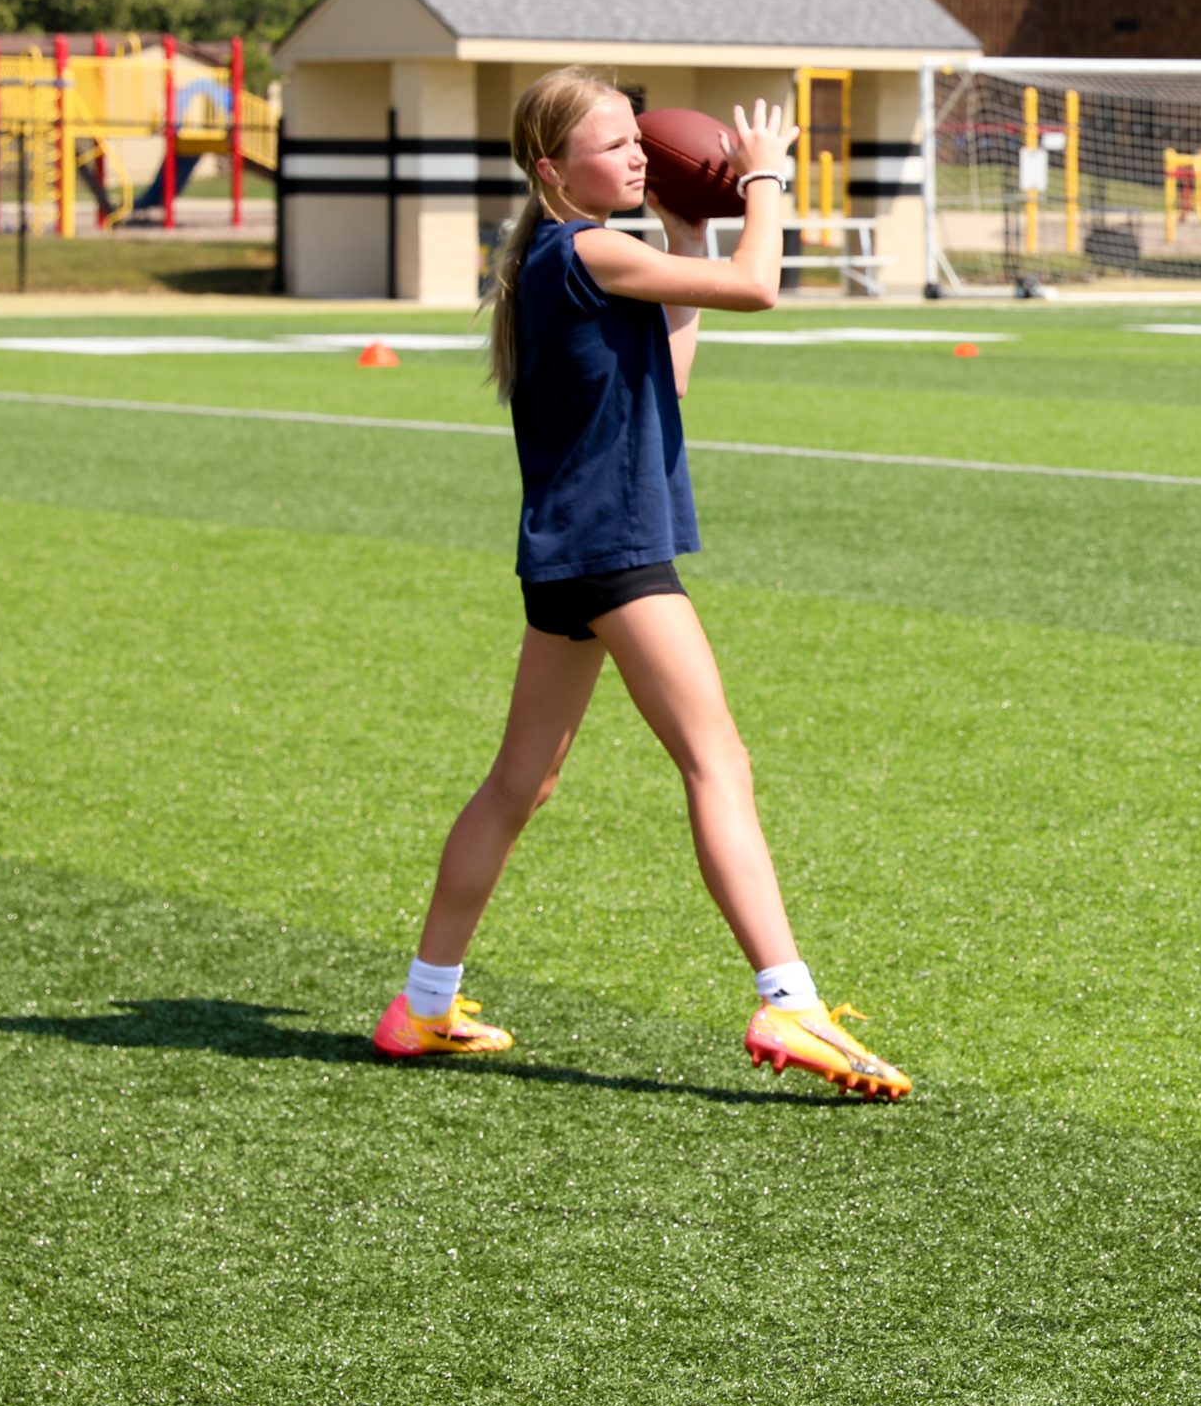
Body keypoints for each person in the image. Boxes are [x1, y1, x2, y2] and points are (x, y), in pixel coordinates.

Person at [371, 67, 909, 1101]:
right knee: (719, 764)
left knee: (520, 784)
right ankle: (789, 1003)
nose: (639, 157)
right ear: (550, 169)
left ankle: (423, 1004)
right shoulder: (588, 248)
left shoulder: (573, 255)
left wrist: (690, 230)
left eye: (638, 142)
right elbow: (762, 286)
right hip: (616, 551)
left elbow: (671, 374)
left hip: (574, 550)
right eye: (616, 144)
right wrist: (761, 182)